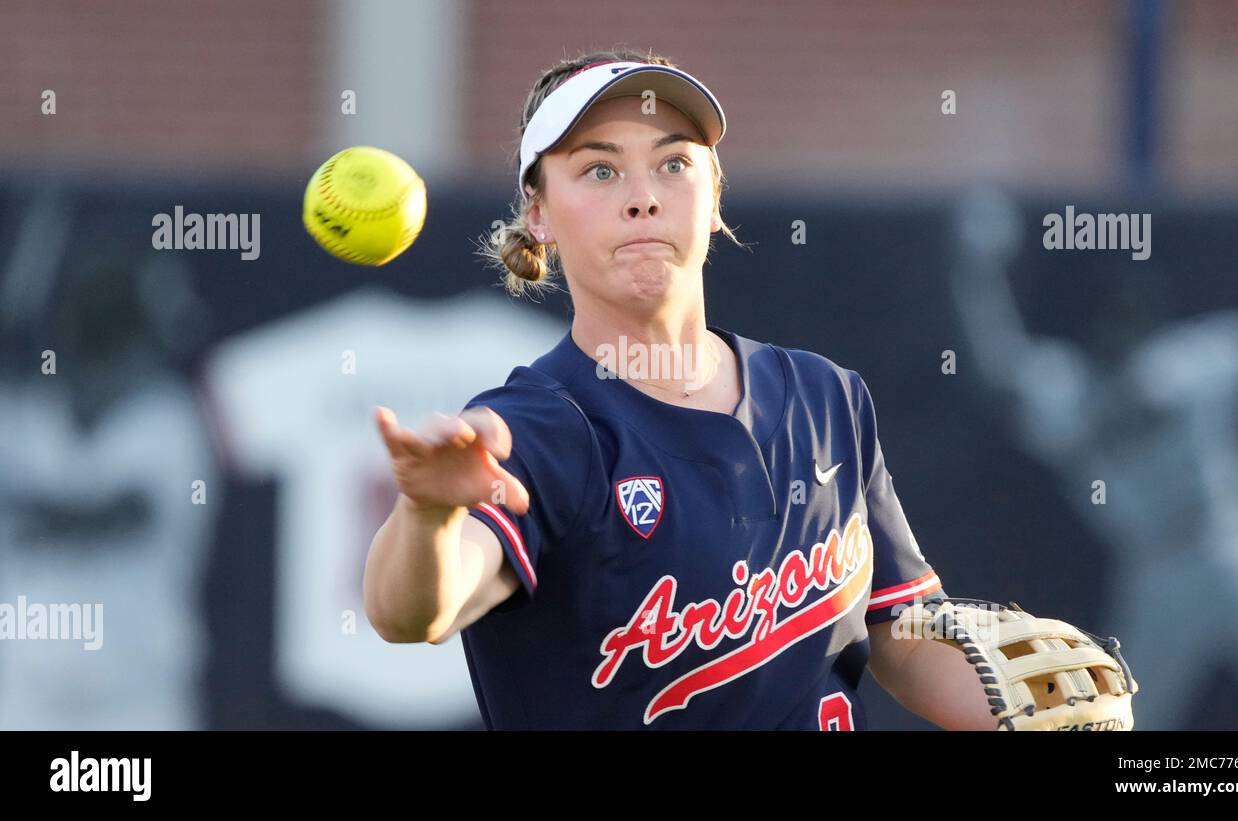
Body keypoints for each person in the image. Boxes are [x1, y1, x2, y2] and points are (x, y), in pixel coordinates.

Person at [363, 49, 997, 730]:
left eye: (674, 163)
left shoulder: (825, 397)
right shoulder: (539, 428)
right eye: (599, 170)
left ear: (714, 195)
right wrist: (429, 514)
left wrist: (1044, 709)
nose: (644, 195)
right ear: (539, 213)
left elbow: (903, 631)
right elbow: (413, 611)